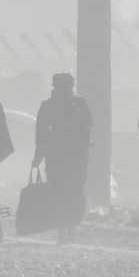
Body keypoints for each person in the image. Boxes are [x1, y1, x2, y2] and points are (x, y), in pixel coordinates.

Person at [33, 72, 93, 242]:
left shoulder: (50, 105)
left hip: (60, 157)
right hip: (71, 157)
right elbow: (88, 127)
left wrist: (38, 156)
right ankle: (68, 226)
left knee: (63, 191)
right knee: (71, 191)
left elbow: (41, 134)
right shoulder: (79, 104)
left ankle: (66, 226)